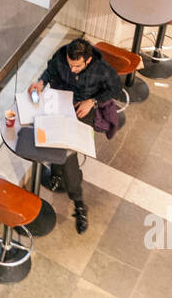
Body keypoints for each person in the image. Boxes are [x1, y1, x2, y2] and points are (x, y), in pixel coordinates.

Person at [28, 37, 123, 234]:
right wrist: (41, 82)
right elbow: (51, 70)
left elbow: (116, 89)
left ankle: (78, 202)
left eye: (77, 66)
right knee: (52, 139)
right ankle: (58, 174)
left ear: (87, 60)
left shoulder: (101, 68)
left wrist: (93, 102)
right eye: (70, 65)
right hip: (59, 102)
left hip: (83, 110)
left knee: (66, 154)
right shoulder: (62, 56)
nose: (72, 70)